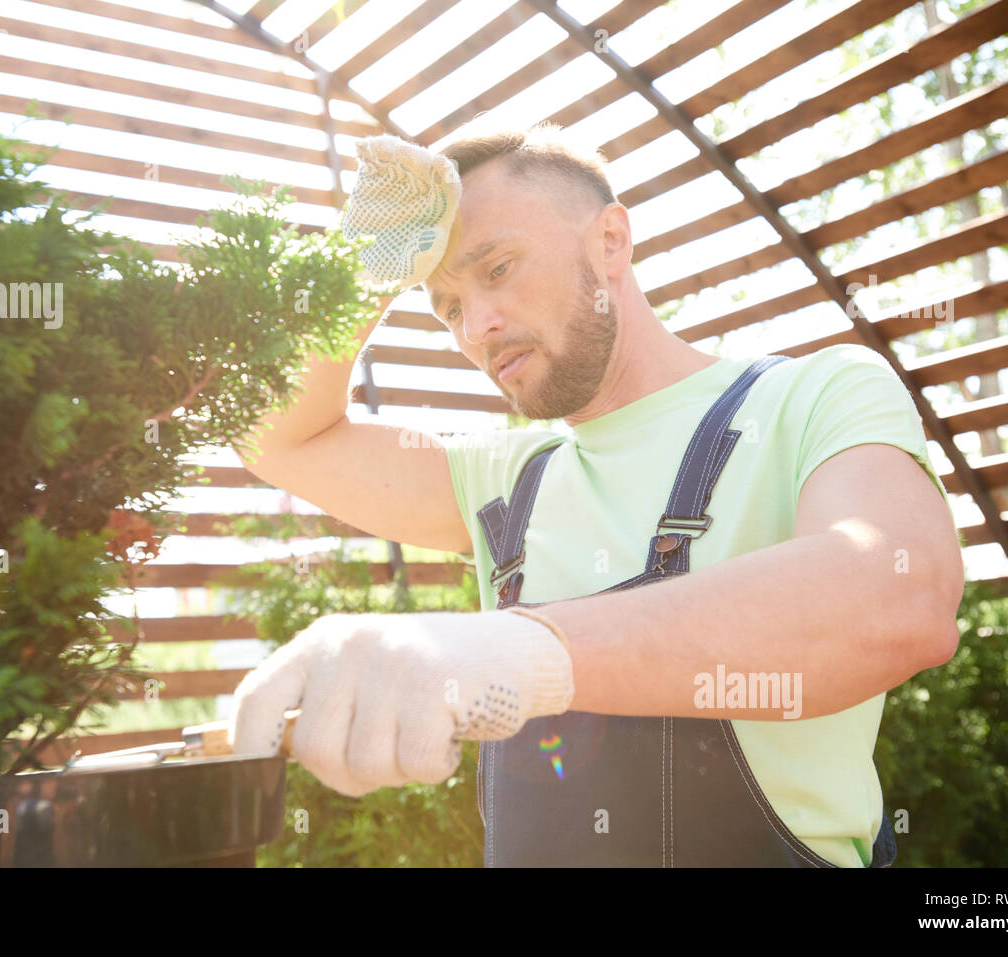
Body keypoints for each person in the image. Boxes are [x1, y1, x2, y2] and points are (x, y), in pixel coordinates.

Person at [230, 123, 964, 867]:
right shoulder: (503, 479)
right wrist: (356, 273)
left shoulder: (811, 395)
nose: (476, 327)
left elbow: (898, 597)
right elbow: (275, 437)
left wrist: (524, 649)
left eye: (499, 268)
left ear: (610, 241)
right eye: (447, 306)